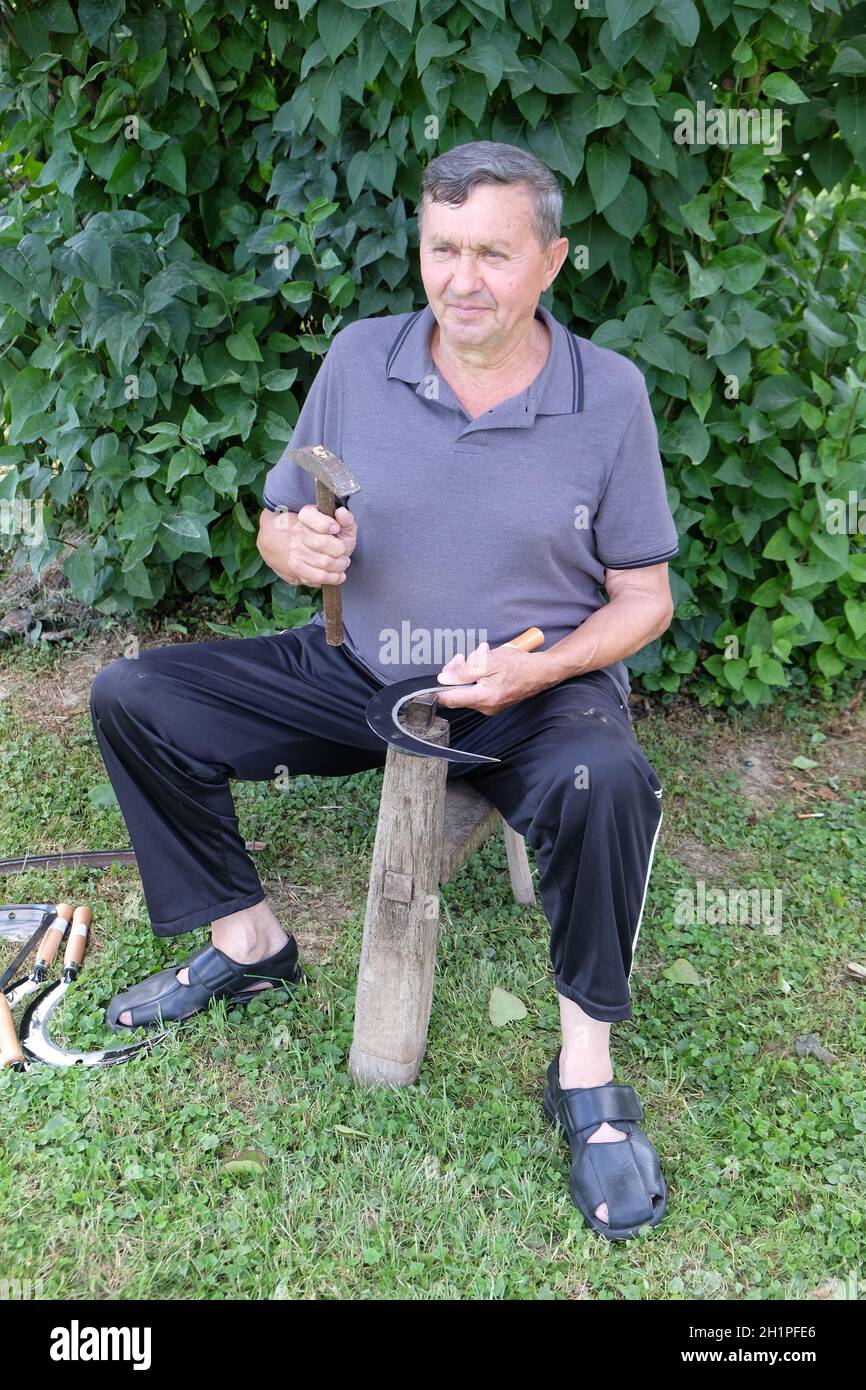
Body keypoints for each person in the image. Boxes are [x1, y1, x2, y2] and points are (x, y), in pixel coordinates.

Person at [90, 141, 678, 1241]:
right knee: (134, 694)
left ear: (550, 261)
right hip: (359, 669)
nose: (462, 279)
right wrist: (293, 548)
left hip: (531, 688)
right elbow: (284, 511)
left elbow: (643, 598)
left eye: (492, 254)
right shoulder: (362, 359)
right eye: (440, 248)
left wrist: (539, 666)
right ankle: (247, 947)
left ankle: (588, 1082)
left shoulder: (609, 395)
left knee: (604, 780)